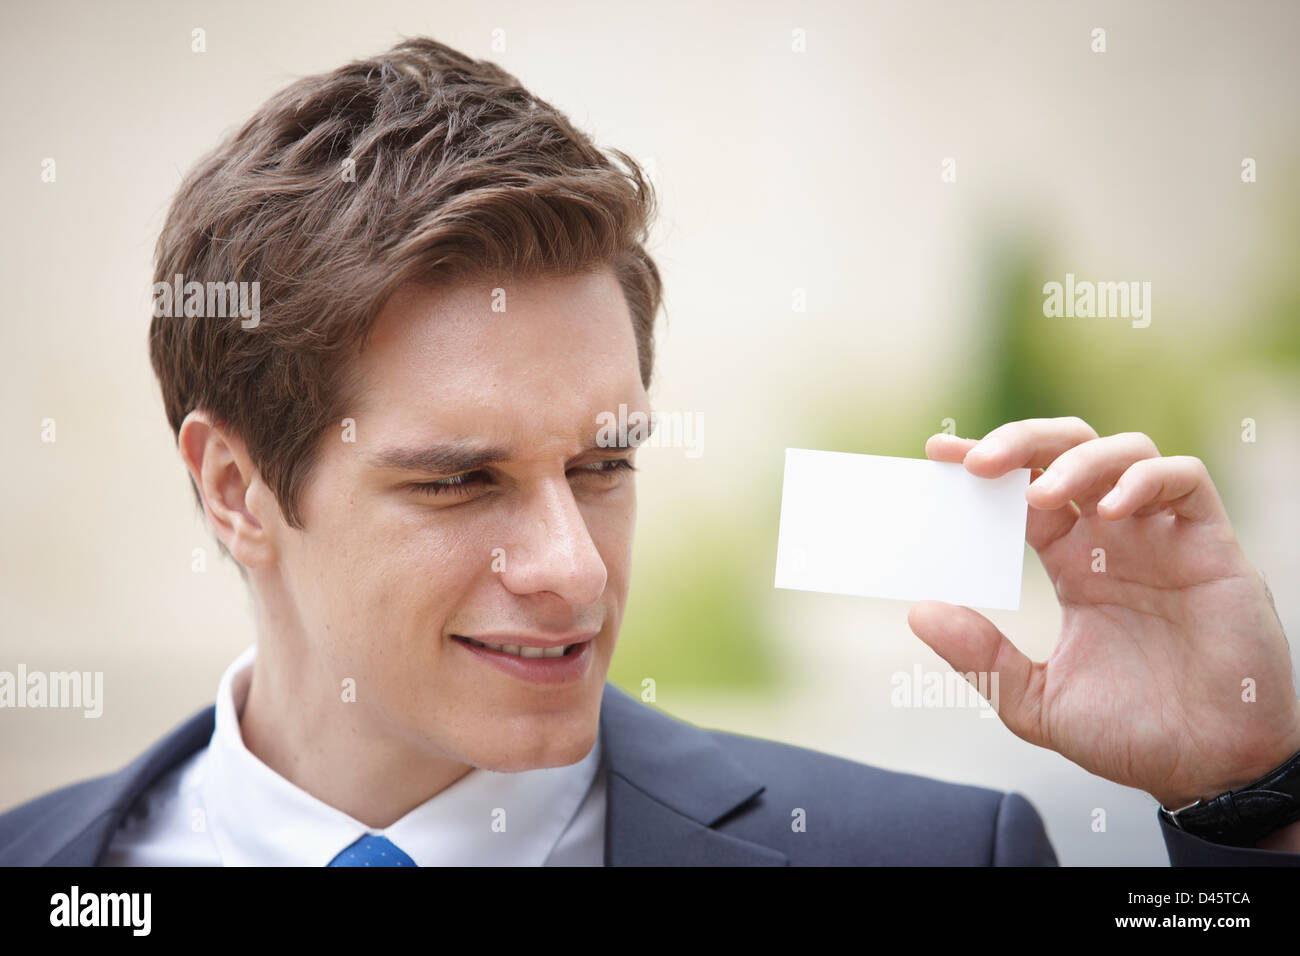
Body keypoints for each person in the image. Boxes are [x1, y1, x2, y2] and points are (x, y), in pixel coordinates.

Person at [3, 37, 1298, 867]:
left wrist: (1244, 799)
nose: (576, 570)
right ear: (236, 490)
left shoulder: (926, 856)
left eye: (605, 465)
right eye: (460, 479)